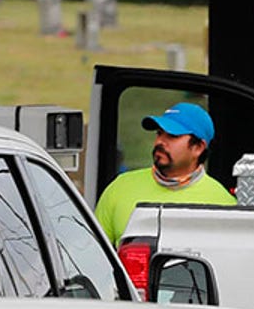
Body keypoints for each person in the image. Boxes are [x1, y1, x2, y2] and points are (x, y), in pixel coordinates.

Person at [94, 101, 234, 242]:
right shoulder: (120, 187)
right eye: (159, 133)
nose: (160, 142)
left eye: (173, 135)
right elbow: (92, 249)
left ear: (198, 147)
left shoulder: (224, 204)